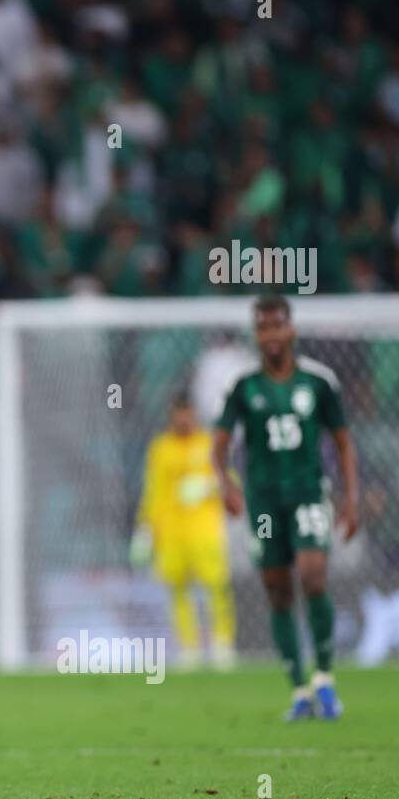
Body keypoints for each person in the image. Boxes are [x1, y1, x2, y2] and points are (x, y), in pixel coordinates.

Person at [212, 295, 360, 720]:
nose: (271, 335)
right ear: (256, 334)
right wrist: (226, 485)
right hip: (263, 502)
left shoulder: (318, 382)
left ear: (290, 330)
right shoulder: (244, 387)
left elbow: (344, 443)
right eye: (263, 328)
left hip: (309, 493)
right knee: (278, 589)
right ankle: (299, 690)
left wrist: (350, 500)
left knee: (313, 576)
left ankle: (326, 680)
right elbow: (219, 445)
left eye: (277, 326)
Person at [132, 391, 236, 669]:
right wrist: (145, 527)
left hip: (204, 529)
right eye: (178, 413)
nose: (183, 419)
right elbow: (153, 491)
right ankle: (188, 647)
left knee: (215, 586)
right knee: (177, 590)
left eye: (187, 412)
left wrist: (208, 485)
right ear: (171, 415)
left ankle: (221, 643)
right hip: (171, 531)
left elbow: (231, 480)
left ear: (194, 413)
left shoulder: (209, 443)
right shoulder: (160, 448)